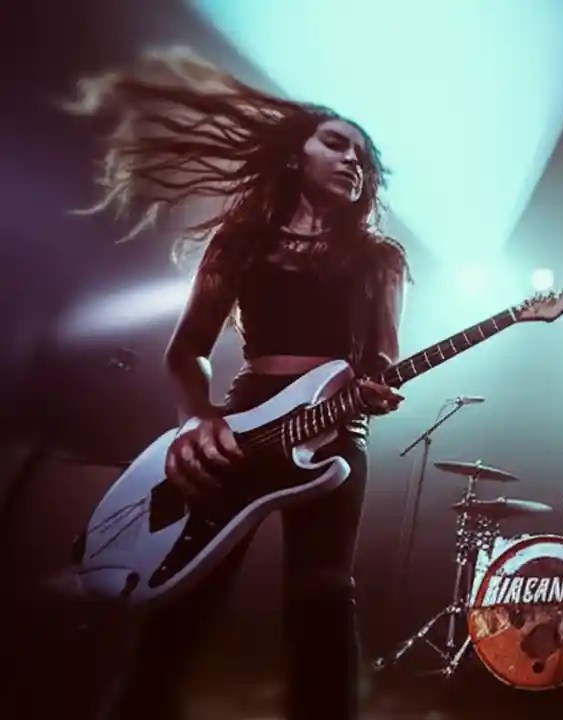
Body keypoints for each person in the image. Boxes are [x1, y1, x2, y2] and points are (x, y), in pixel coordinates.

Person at [66, 48, 409, 720]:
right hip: (243, 420)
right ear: (295, 156)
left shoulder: (379, 259)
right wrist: (198, 419)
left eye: (363, 157)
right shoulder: (242, 241)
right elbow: (187, 349)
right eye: (336, 143)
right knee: (185, 589)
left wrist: (379, 390)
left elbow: (383, 360)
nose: (352, 161)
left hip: (336, 432)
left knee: (322, 593)